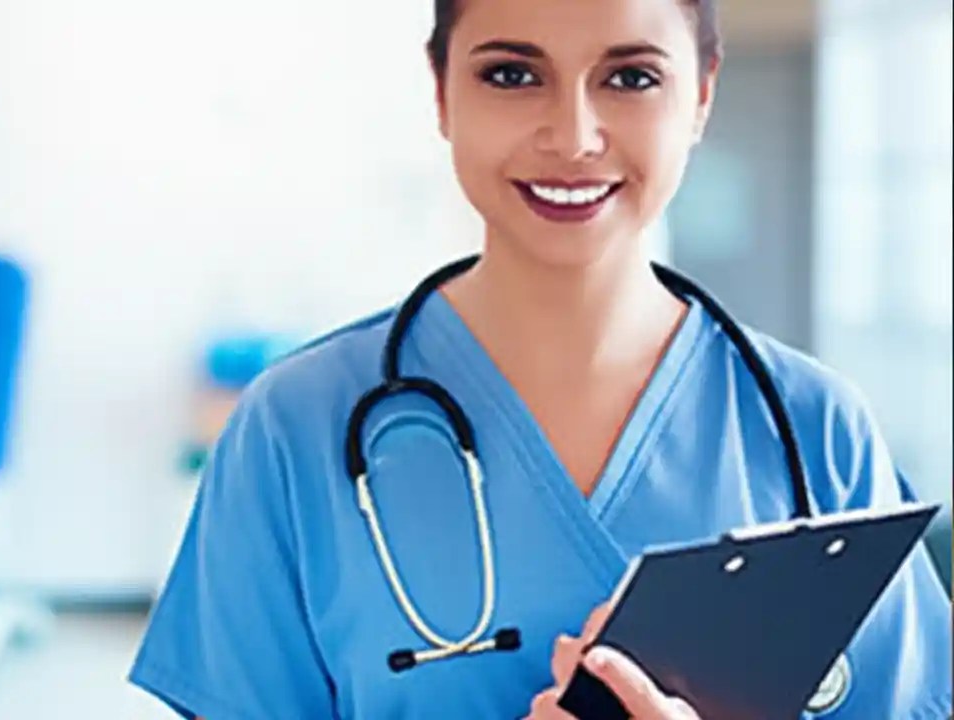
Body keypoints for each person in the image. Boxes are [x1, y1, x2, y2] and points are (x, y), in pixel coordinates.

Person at [127, 0, 954, 716]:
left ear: (700, 95)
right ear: (441, 92)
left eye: (630, 78)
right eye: (512, 76)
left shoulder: (813, 426)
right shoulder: (294, 429)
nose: (574, 136)